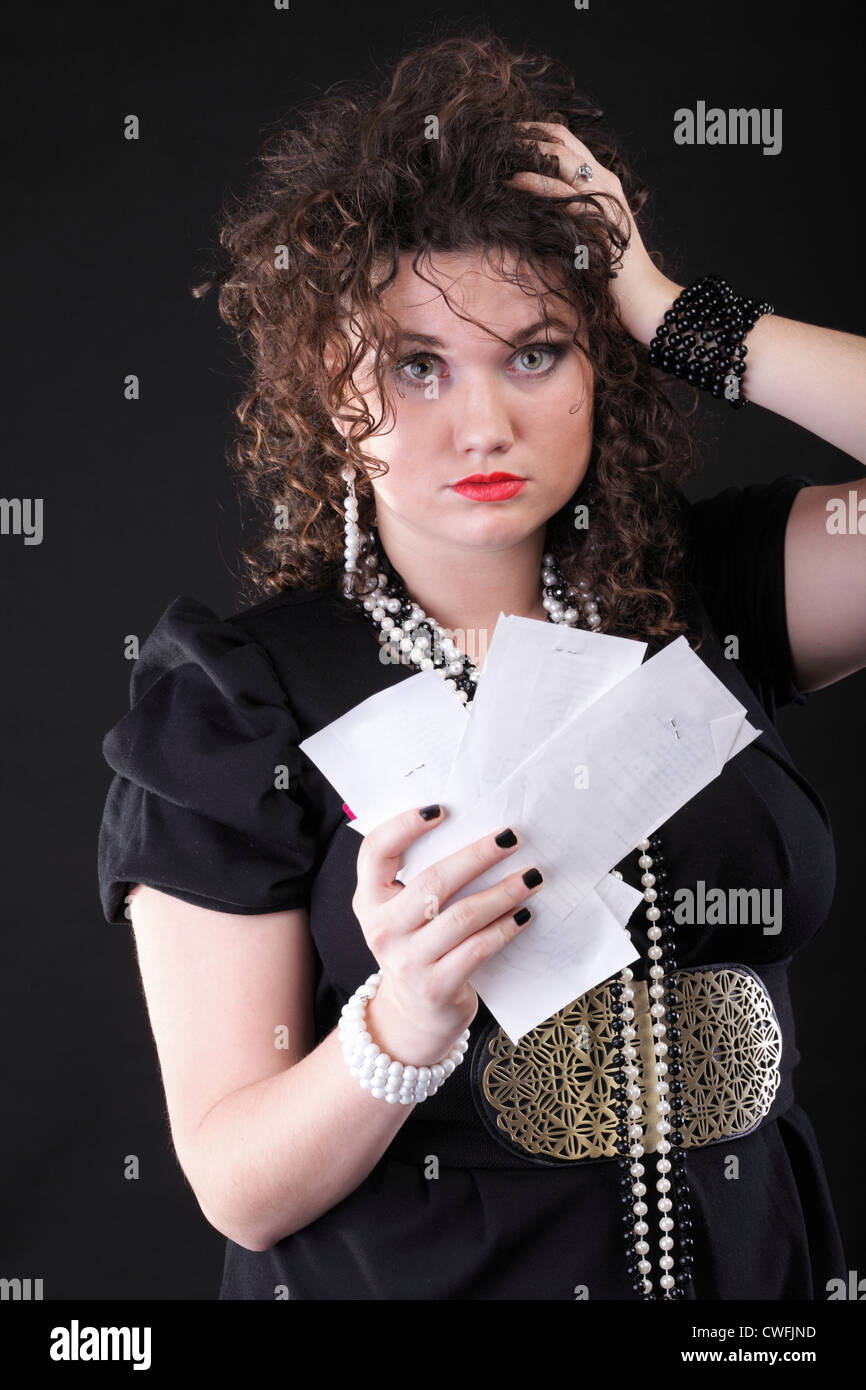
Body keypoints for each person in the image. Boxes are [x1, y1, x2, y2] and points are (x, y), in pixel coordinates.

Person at [97, 30, 864, 1301]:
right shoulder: (238, 696)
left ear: (597, 363)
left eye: (534, 350)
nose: (484, 423)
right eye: (414, 365)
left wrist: (680, 313)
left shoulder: (709, 593)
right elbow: (234, 1177)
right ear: (325, 394)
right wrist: (401, 1018)